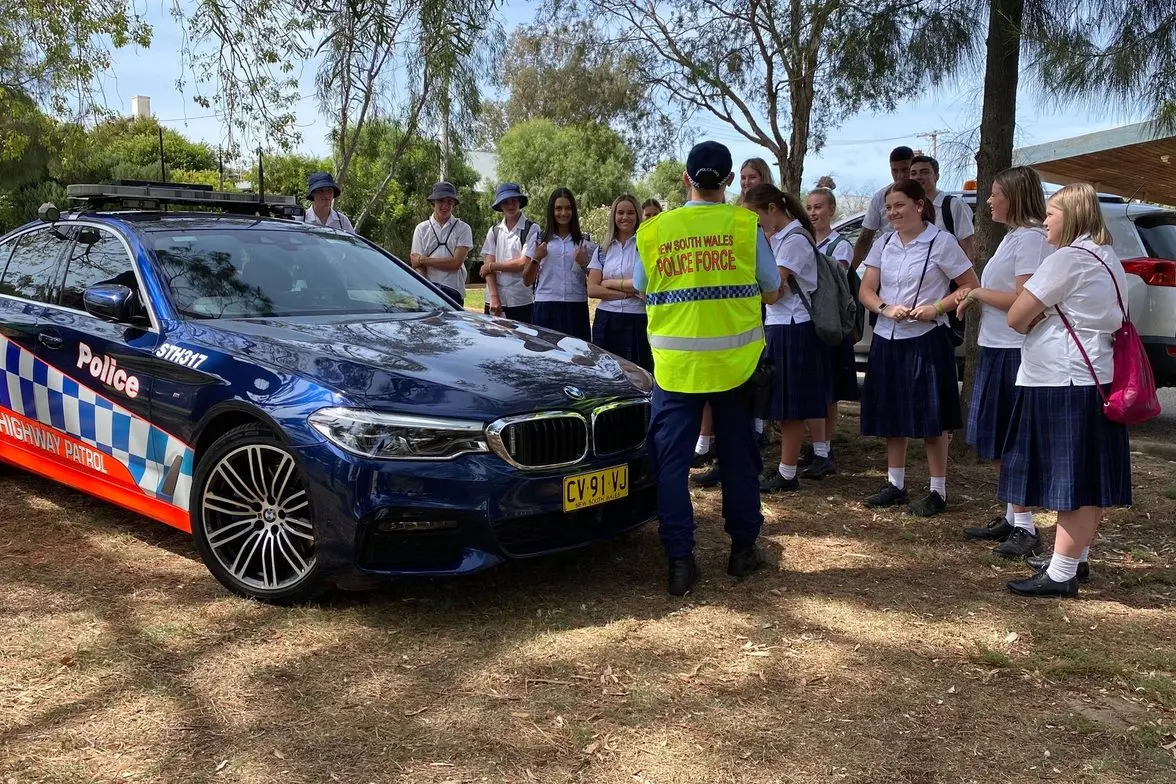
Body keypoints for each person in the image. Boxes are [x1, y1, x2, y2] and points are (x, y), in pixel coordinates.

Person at [634, 140, 781, 596]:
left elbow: (642, 287)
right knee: (740, 461)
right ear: (731, 180)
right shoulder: (743, 226)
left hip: (676, 370)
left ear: (686, 178)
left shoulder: (656, 231)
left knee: (671, 466)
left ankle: (680, 562)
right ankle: (742, 552)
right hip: (734, 368)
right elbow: (772, 290)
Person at [1001, 183, 1132, 597]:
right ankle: (1074, 559)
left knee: (1071, 481)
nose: (1044, 221)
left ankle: (1061, 575)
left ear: (1072, 215)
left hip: (1063, 377)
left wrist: (1034, 320)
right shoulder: (1107, 258)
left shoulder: (1069, 259)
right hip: (1093, 375)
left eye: (1052, 213)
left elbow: (1017, 317)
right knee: (1084, 478)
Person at [857, 179, 979, 516]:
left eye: (899, 205)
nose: (892, 213)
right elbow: (866, 289)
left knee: (931, 417)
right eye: (889, 207)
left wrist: (936, 308)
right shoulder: (884, 243)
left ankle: (937, 491)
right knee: (891, 413)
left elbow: (970, 286)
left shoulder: (941, 242)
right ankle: (895, 484)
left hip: (927, 339)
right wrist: (884, 308)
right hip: (887, 336)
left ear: (919, 206)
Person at [956, 166, 1053, 557]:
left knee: (1009, 439)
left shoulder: (1029, 239)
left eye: (995, 193)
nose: (989, 200)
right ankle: (1013, 515)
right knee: (996, 437)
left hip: (1014, 350)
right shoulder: (1014, 238)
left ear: (1014, 197)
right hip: (997, 346)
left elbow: (1024, 300)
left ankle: (1026, 526)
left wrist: (976, 292)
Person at [743, 184, 834, 492]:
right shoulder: (780, 238)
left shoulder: (794, 240)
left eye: (755, 217)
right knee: (782, 402)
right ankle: (786, 467)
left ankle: (787, 471)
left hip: (794, 326)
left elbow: (773, 291)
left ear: (771, 209)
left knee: (790, 405)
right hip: (782, 324)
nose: (754, 225)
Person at [694, 156, 776, 483]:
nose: (746, 183)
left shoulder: (752, 221)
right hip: (725, 318)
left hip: (750, 316)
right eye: (742, 178)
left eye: (752, 177)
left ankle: (749, 446)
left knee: (749, 387)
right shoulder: (733, 217)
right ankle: (723, 450)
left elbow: (770, 286)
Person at [803, 184, 857, 477]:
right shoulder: (805, 241)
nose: (813, 213)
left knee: (829, 389)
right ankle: (816, 445)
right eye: (809, 207)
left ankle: (825, 445)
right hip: (809, 322)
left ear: (831, 210)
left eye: (819, 207)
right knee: (815, 386)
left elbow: (832, 276)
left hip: (831, 323)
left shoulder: (841, 245)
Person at [588, 194, 652, 370]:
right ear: (614, 216)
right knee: (607, 374)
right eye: (620, 212)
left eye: (630, 212)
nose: (625, 217)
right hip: (606, 320)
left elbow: (644, 285)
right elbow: (592, 289)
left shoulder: (646, 247)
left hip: (638, 320)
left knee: (639, 374)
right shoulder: (603, 250)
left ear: (638, 215)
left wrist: (609, 284)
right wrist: (629, 292)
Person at [522, 188, 594, 342]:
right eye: (558, 208)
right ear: (551, 211)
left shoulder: (584, 241)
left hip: (576, 306)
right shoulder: (538, 239)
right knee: (546, 357)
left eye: (568, 208)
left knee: (578, 358)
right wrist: (536, 258)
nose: (563, 213)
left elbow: (595, 278)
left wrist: (585, 262)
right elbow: (527, 280)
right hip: (546, 306)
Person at [480, 183, 540, 321]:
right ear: (500, 206)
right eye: (506, 202)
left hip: (520, 299)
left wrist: (492, 266)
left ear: (519, 202)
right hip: (494, 300)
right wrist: (494, 297)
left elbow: (523, 263)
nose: (511, 205)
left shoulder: (531, 228)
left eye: (514, 201)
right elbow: (487, 265)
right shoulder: (494, 231)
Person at [410, 181, 473, 306]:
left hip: (454, 292)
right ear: (433, 203)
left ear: (454, 204)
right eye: (441, 201)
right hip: (428, 291)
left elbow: (456, 263)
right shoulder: (422, 229)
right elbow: (416, 265)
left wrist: (423, 260)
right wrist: (425, 290)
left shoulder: (463, 228)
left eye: (449, 201)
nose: (445, 206)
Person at [851, 146, 914, 269]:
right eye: (895, 171)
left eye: (905, 169)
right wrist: (849, 275)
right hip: (890, 265)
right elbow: (865, 238)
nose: (900, 176)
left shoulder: (927, 195)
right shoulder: (880, 197)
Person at [909, 155, 976, 258]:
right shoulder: (910, 209)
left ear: (936, 176)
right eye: (913, 173)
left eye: (924, 172)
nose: (918, 177)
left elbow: (968, 248)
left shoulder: (954, 206)